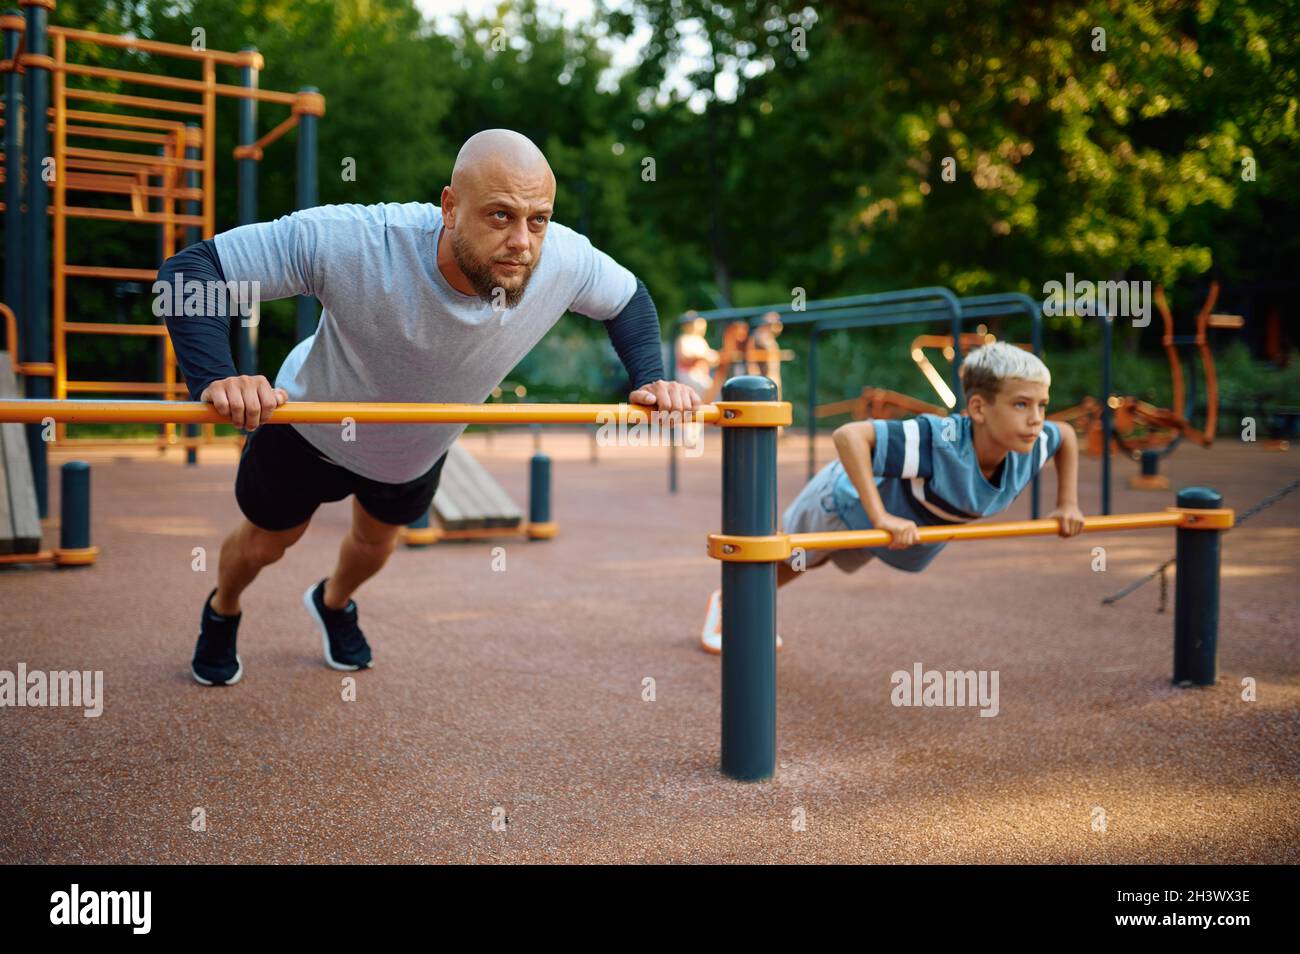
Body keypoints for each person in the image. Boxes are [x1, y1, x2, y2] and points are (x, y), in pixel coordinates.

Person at [158, 128, 699, 685]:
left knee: (374, 546)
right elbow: (192, 270)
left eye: (538, 218)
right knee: (267, 544)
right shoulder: (361, 241)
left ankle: (333, 602)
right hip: (310, 427)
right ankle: (223, 607)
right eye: (499, 216)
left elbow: (629, 298)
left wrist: (652, 379)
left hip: (412, 449)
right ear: (450, 206)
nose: (523, 241)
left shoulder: (560, 257)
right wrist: (218, 376)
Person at [700, 342, 1085, 653]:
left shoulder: (1032, 442)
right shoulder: (939, 441)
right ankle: (727, 604)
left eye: (1041, 405)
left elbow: (1065, 434)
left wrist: (1067, 503)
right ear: (979, 408)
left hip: (891, 517)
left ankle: (742, 606)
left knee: (817, 562)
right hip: (843, 497)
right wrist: (880, 515)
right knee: (796, 560)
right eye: (1021, 404)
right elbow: (849, 436)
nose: (1037, 418)